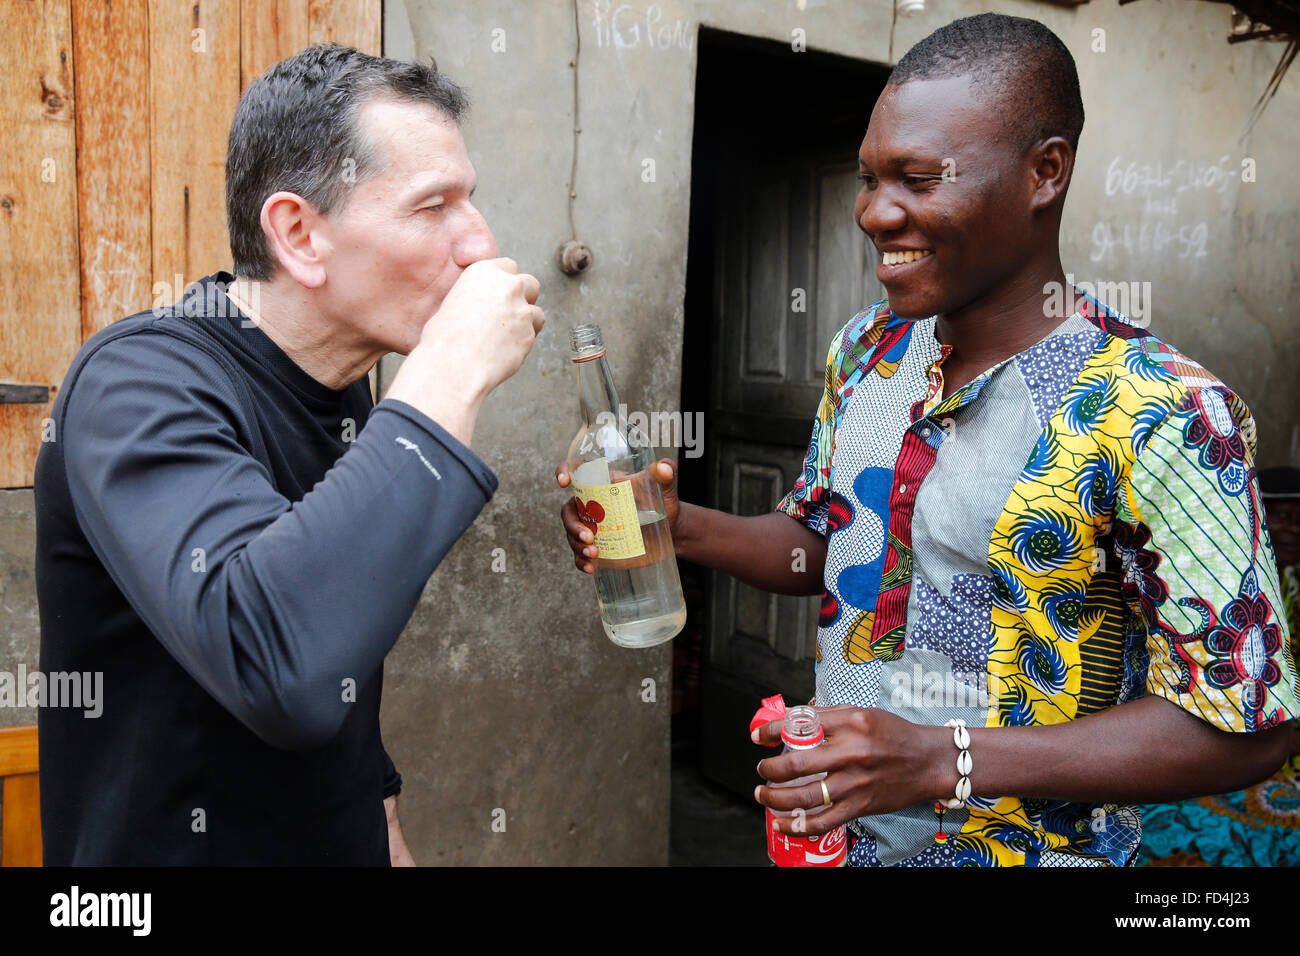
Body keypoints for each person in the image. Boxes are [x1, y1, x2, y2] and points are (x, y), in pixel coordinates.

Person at [558, 13, 1298, 866]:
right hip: (840, 847)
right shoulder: (869, 353)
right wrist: (675, 526)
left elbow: (1247, 729)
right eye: (870, 179)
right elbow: (826, 546)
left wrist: (940, 759)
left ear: (1044, 172)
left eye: (917, 178)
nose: (875, 212)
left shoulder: (1162, 410)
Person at [35, 44, 545, 865]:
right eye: (432, 206)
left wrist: (379, 815)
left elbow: (342, 638)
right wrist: (448, 373)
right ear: (300, 234)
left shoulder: (345, 390)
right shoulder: (135, 385)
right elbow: (278, 664)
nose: (480, 245)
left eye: (471, 201)